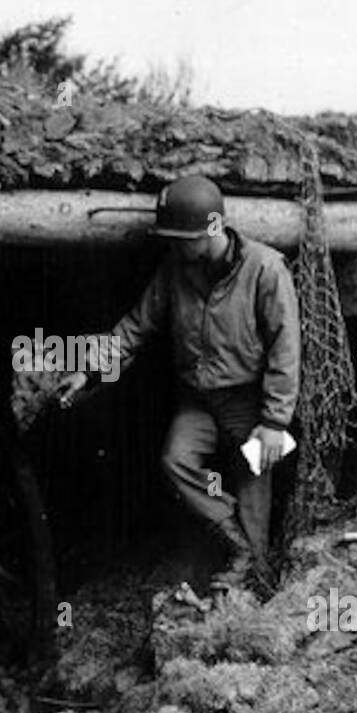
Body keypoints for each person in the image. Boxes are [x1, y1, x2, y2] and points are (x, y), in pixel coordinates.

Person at [58, 175, 301, 595]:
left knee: (254, 498)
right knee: (176, 460)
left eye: (180, 238)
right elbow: (134, 329)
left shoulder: (265, 269)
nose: (172, 246)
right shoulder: (175, 271)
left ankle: (256, 587)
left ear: (212, 230)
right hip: (199, 401)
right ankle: (233, 538)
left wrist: (275, 421)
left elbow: (286, 347)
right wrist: (88, 369)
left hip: (248, 402)